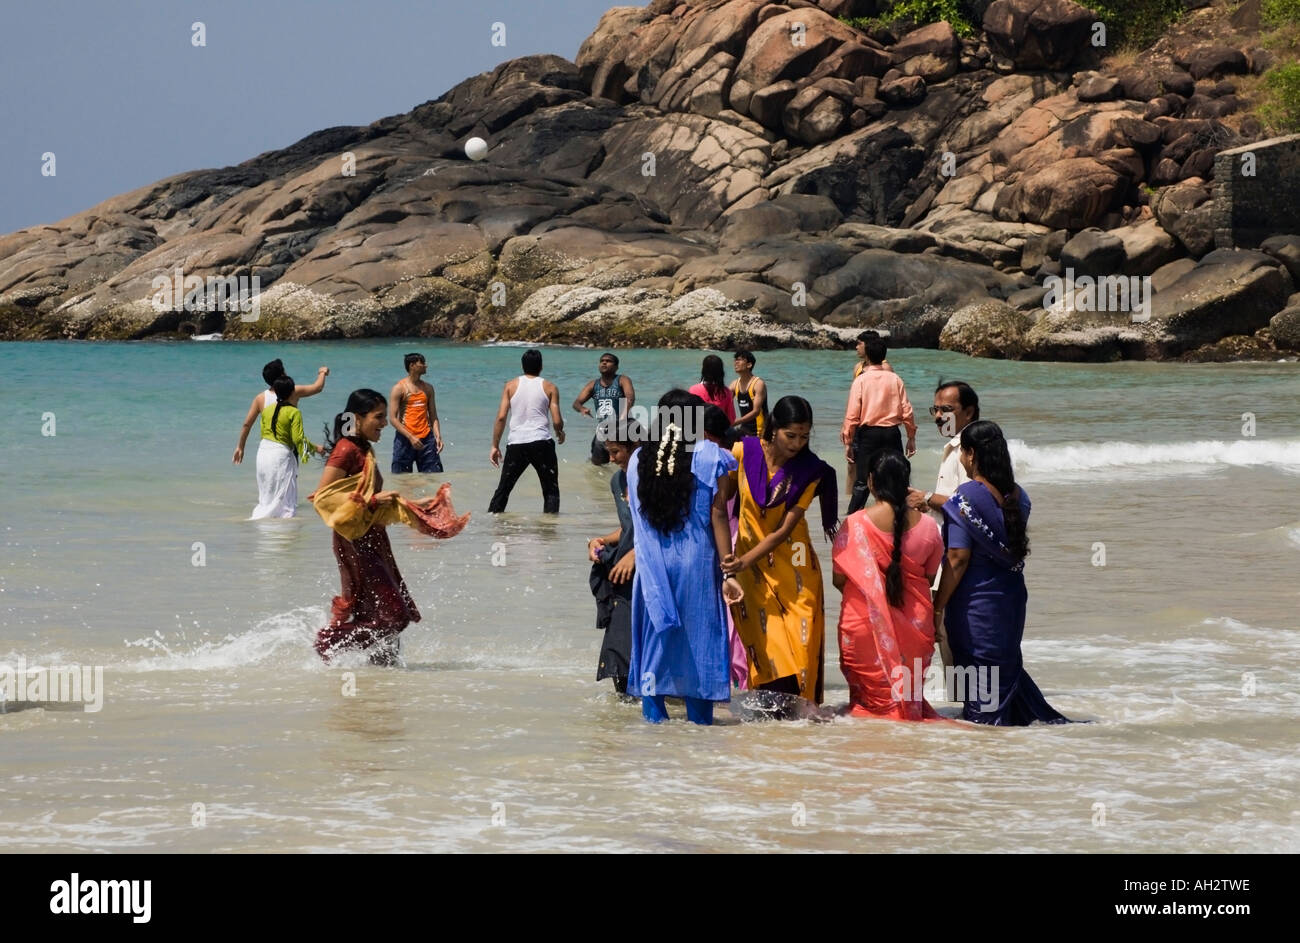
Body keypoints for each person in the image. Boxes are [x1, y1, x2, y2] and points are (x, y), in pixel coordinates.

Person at [310, 389, 469, 665]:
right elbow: (323, 498)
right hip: (356, 541)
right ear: (357, 418)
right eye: (379, 417)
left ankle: (383, 685)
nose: (385, 423)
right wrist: (371, 500)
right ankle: (329, 641)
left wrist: (413, 504)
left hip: (372, 538)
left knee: (375, 613)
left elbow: (373, 502)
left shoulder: (363, 449)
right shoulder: (346, 449)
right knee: (394, 615)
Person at [932, 420, 1070, 725]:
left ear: (969, 454)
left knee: (979, 692)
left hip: (975, 607)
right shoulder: (1020, 497)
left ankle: (985, 752)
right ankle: (1003, 747)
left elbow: (957, 558)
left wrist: (937, 607)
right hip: (1010, 602)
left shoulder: (964, 497)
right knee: (1000, 672)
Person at [626, 390, 743, 724]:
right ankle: (699, 731)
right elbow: (719, 514)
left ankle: (655, 728)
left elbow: (638, 516)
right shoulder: (709, 455)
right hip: (696, 565)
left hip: (652, 569)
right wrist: (729, 570)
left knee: (655, 648)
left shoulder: (638, 460)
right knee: (699, 646)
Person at [723, 396, 838, 717]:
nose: (798, 444)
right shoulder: (743, 452)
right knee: (767, 647)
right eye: (792, 435)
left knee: (800, 651)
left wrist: (741, 562)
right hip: (750, 571)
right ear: (773, 429)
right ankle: (770, 736)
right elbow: (722, 504)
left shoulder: (809, 471)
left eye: (805, 436)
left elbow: (783, 531)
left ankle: (794, 736)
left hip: (796, 570)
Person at [832, 451, 944, 720]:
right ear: (906, 483)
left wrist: (874, 595)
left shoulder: (854, 524)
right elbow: (929, 579)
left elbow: (839, 579)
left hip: (862, 624)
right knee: (905, 705)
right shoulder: (929, 527)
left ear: (871, 482)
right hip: (916, 625)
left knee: (868, 710)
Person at [907, 380, 980, 672]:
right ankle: (968, 711)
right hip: (952, 555)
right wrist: (928, 503)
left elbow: (970, 504)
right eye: (935, 410)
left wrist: (925, 497)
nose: (938, 416)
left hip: (959, 558)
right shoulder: (955, 447)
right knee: (952, 644)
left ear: (969, 412)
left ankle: (970, 712)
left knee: (954, 641)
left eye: (947, 410)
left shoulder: (968, 450)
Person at [587, 420, 645, 694]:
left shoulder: (652, 477)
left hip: (649, 568)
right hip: (621, 571)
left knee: (642, 642)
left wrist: (635, 554)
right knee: (617, 647)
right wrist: (598, 540)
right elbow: (628, 526)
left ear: (636, 446)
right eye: (608, 452)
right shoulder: (617, 480)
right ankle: (625, 717)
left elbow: (664, 527)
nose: (611, 459)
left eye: (616, 452)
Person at [841, 334, 916, 515]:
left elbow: (852, 415)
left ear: (867, 353)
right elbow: (907, 410)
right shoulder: (895, 379)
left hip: (869, 435)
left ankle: (851, 522)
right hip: (892, 433)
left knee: (862, 482)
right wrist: (911, 437)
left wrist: (848, 442)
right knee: (897, 477)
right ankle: (902, 518)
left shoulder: (861, 380)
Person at [488, 349, 565, 514]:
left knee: (504, 488)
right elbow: (557, 420)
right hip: (542, 442)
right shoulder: (550, 387)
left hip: (516, 443)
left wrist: (495, 445)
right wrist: (560, 432)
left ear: (522, 366)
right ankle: (549, 531)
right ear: (541, 366)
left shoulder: (510, 386)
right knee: (550, 489)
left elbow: (501, 417)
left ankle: (491, 524)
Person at [250, 375, 325, 519]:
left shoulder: (267, 410)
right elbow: (298, 439)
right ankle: (284, 534)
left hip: (263, 453)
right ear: (292, 392)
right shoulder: (294, 412)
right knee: (286, 500)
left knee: (267, 496)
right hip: (280, 455)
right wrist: (315, 449)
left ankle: (264, 528)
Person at [232, 359, 329, 464]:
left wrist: (240, 447)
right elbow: (318, 387)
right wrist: (322, 372)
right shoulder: (293, 392)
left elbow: (247, 424)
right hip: (286, 450)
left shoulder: (260, 398)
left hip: (266, 450)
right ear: (283, 375)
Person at [573, 353, 635, 466]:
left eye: (608, 361)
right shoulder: (593, 384)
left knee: (629, 459)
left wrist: (621, 419)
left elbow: (630, 399)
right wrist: (582, 409)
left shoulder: (622, 380)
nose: (604, 362)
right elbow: (576, 403)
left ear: (616, 367)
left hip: (624, 425)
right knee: (597, 464)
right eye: (602, 361)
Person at [388, 353, 443, 474]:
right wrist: (411, 437)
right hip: (405, 439)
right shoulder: (399, 388)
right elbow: (392, 419)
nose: (426, 366)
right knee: (402, 480)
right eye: (422, 363)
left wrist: (438, 436)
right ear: (412, 365)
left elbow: (433, 415)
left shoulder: (428, 388)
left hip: (427, 439)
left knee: (433, 477)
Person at [688, 354, 735, 426]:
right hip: (719, 434)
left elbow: (689, 418)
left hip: (699, 434)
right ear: (721, 372)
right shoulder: (726, 392)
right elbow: (731, 419)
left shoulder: (693, 390)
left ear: (703, 370)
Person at [730, 350, 768, 438]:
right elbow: (724, 402)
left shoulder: (758, 384)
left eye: (739, 360)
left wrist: (736, 422)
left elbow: (756, 411)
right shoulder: (734, 384)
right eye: (735, 360)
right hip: (744, 430)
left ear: (749, 365)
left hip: (759, 432)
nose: (736, 362)